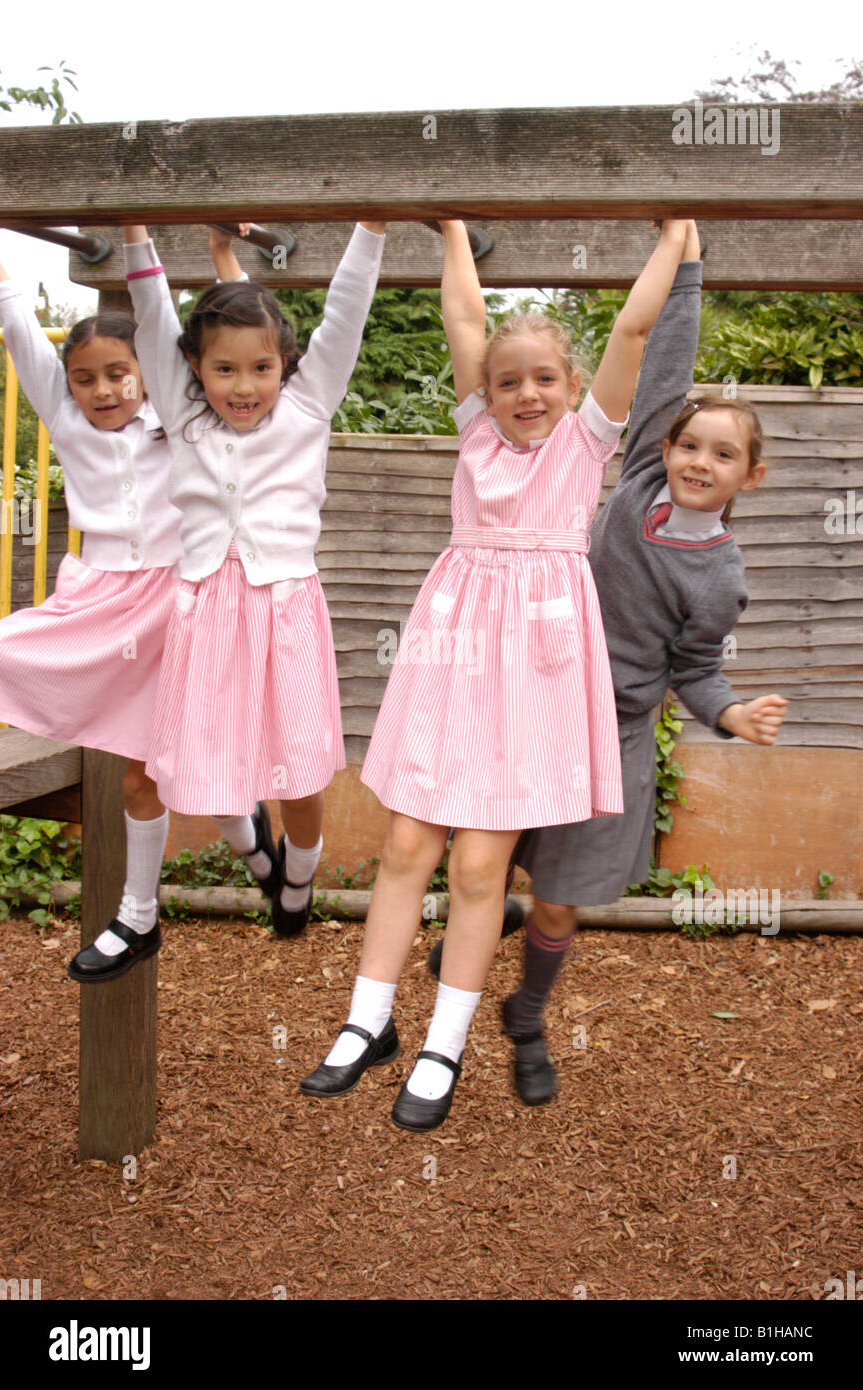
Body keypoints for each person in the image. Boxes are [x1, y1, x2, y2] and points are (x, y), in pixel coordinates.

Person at [301, 218, 693, 1131]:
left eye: (544, 380)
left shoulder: (586, 443)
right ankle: (367, 1023)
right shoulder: (477, 430)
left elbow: (633, 331)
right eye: (508, 381)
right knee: (406, 846)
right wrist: (452, 229)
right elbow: (463, 317)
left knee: (481, 868)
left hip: (538, 665)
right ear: (486, 391)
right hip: (454, 642)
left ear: (571, 390)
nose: (525, 393)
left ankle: (443, 1045)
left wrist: (673, 238)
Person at [503, 221, 788, 1105]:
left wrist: (731, 714)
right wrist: (690, 264)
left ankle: (528, 1011)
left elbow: (696, 670)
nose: (700, 460)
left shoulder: (720, 578)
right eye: (690, 444)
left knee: (562, 896)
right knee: (485, 853)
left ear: (750, 476)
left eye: (724, 454)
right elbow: (662, 357)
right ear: (664, 446)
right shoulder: (635, 480)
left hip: (615, 727)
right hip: (540, 694)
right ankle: (481, 933)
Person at [122, 218, 385, 936]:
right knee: (203, 759)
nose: (244, 386)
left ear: (286, 369)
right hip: (204, 607)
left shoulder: (306, 408)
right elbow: (151, 318)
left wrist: (371, 227)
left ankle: (299, 872)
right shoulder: (184, 417)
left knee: (298, 771)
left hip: (285, 609)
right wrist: (134, 233)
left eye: (261, 369)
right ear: (194, 371)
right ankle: (258, 859)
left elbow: (345, 315)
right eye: (225, 370)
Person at [0, 251, 183, 982]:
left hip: (170, 600)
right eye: (85, 378)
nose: (102, 389)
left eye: (117, 374)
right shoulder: (65, 419)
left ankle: (139, 911)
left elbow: (173, 334)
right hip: (98, 597)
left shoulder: (172, 421)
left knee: (149, 771)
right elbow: (19, 332)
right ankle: (146, 910)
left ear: (144, 376)